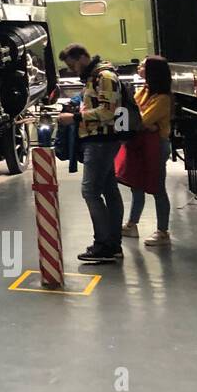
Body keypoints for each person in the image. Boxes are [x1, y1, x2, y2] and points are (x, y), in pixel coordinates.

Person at [58, 43, 125, 263]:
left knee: (90, 191)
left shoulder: (104, 76)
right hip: (101, 140)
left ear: (81, 58)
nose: (73, 70)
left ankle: (104, 244)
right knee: (108, 190)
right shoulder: (96, 76)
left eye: (72, 65)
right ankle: (112, 244)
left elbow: (109, 110)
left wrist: (75, 118)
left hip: (100, 140)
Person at [122, 55, 173, 246]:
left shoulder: (162, 98)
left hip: (156, 146)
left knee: (158, 188)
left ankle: (163, 231)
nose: (139, 68)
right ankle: (132, 224)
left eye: (143, 66)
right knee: (136, 185)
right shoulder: (145, 91)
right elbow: (138, 117)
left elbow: (141, 120)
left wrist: (144, 124)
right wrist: (143, 124)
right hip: (143, 143)